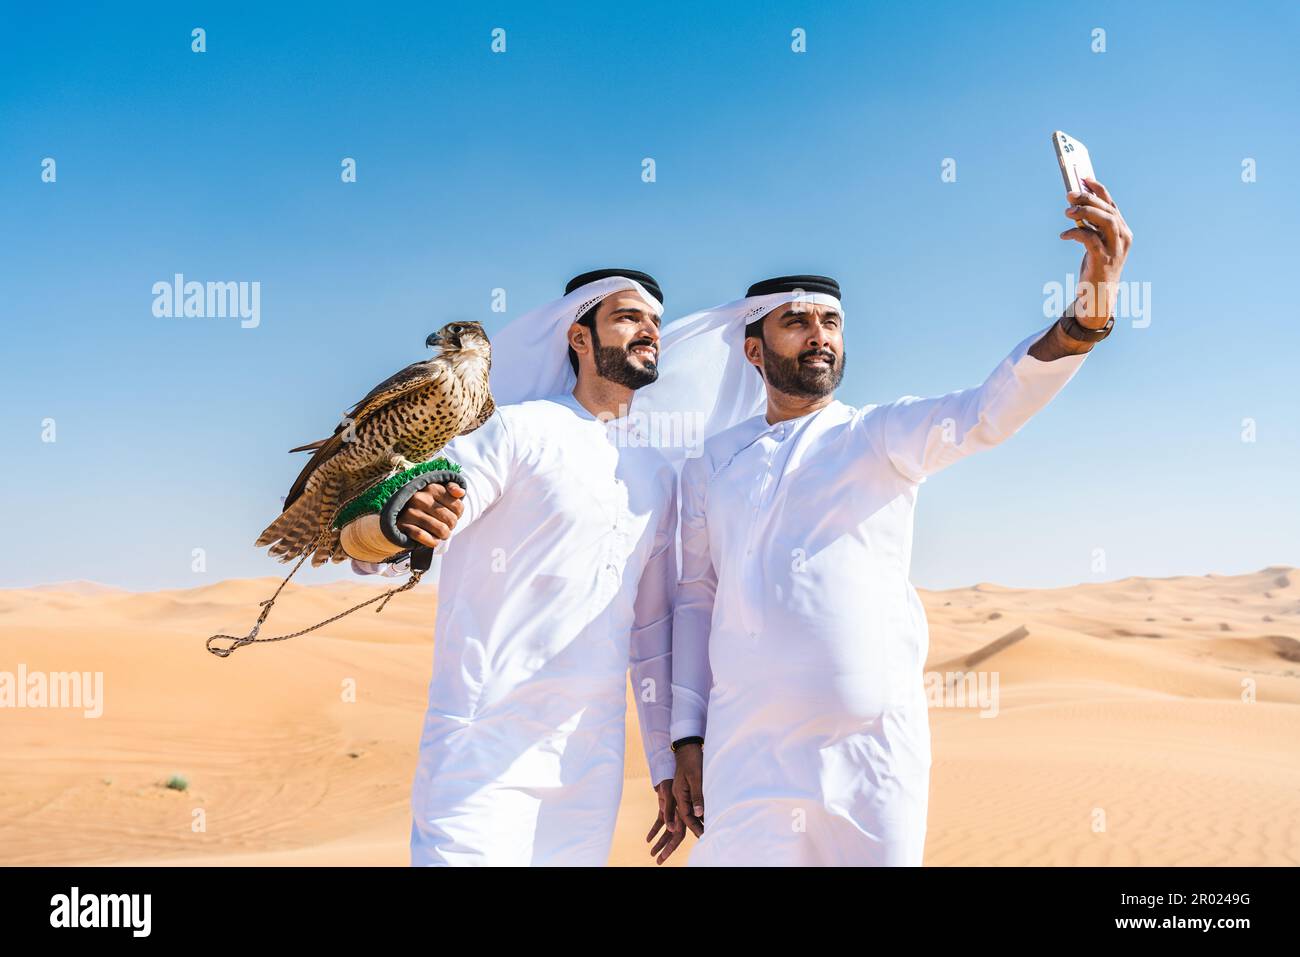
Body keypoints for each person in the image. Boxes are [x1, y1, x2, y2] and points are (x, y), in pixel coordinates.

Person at [667, 180, 1134, 864]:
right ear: (755, 350)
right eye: (796, 322)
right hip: (747, 761)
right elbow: (694, 596)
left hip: (875, 763)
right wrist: (686, 736)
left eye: (830, 322)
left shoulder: (877, 435)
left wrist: (1090, 308)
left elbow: (986, 412)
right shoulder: (712, 461)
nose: (819, 335)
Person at [353, 269, 687, 865]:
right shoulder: (515, 428)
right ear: (580, 338)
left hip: (589, 759)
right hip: (483, 742)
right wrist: (398, 522)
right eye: (628, 317)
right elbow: (423, 508)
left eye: (655, 322)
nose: (648, 331)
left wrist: (664, 758)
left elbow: (651, 629)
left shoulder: (658, 474)